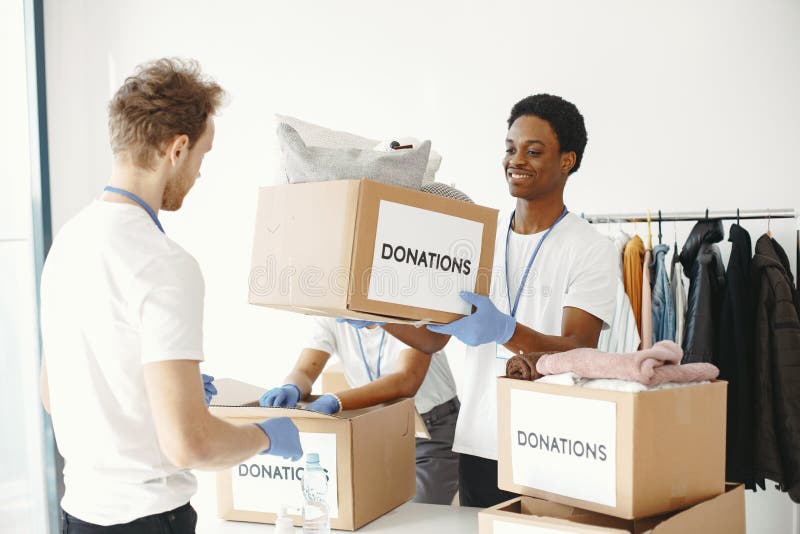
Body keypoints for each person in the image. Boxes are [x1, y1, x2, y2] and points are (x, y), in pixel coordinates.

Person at [39, 58, 302, 533]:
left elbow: (54, 394)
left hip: (78, 517)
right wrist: (265, 436)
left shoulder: (67, 243)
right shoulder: (164, 264)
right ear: (177, 149)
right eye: (203, 155)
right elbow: (191, 445)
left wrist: (156, 395)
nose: (200, 174)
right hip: (148, 520)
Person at [378, 94, 618, 507]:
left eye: (534, 151)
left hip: (551, 444)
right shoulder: (476, 236)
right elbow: (435, 340)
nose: (516, 160)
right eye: (510, 148)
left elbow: (580, 348)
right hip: (479, 444)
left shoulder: (590, 248)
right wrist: (373, 316)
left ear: (567, 161)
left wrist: (504, 330)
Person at [260, 316, 460, 505]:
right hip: (376, 430)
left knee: (418, 514)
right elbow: (304, 371)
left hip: (431, 428)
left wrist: (336, 401)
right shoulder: (332, 314)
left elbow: (406, 380)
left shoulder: (406, 311)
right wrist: (292, 387)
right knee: (370, 511)